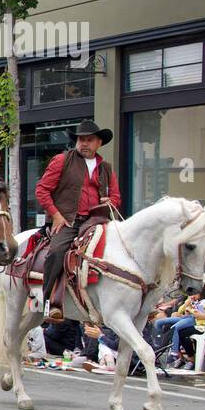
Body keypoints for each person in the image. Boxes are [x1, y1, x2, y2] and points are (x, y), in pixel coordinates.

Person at [35, 119, 122, 311]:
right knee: (57, 253)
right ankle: (48, 302)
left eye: (89, 140)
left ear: (99, 142)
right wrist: (56, 215)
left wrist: (111, 202)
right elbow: (42, 190)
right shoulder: (62, 160)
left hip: (98, 221)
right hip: (69, 221)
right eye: (81, 139)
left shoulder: (106, 167)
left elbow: (115, 197)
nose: (84, 143)